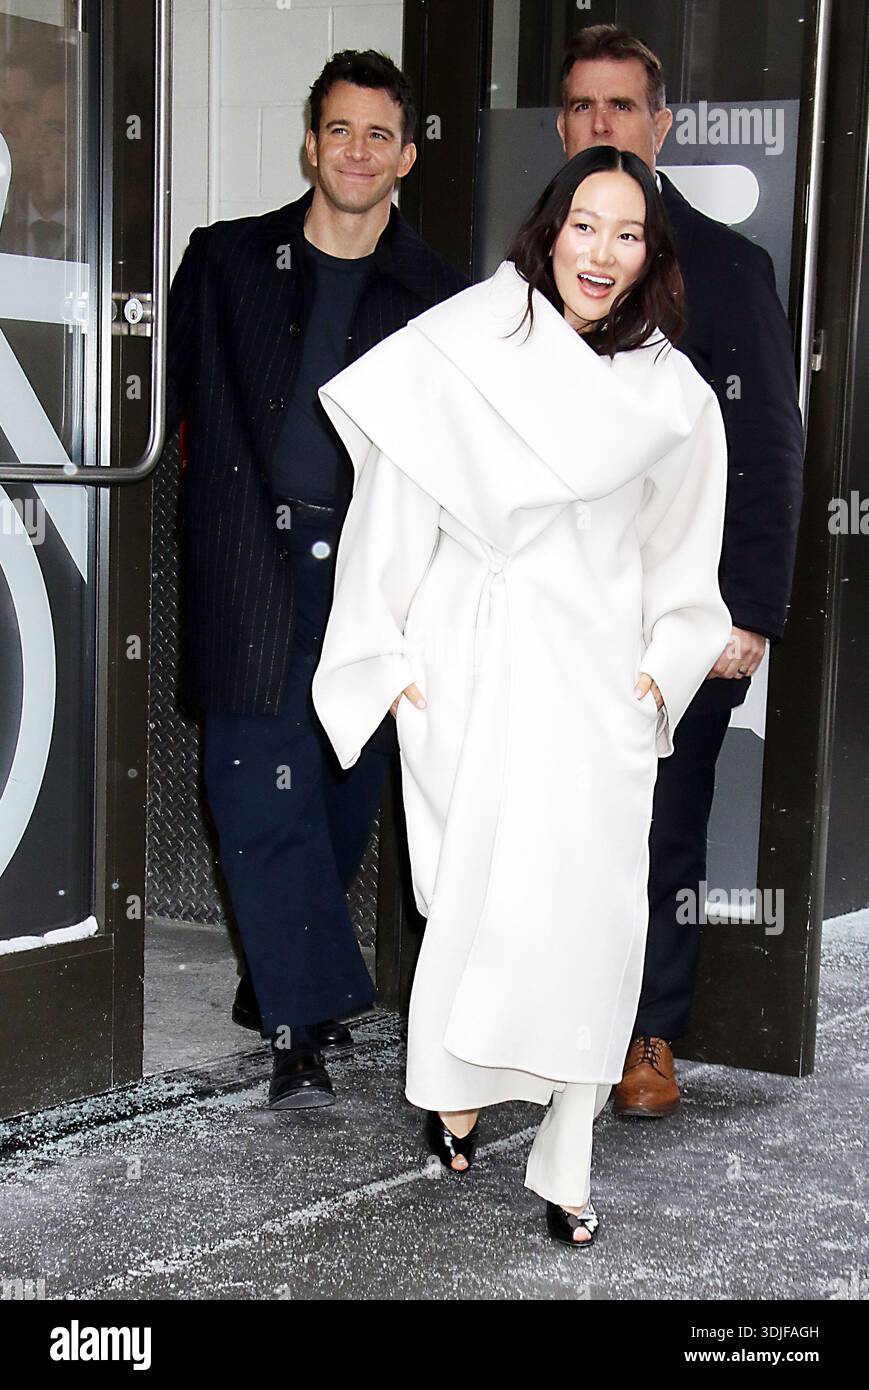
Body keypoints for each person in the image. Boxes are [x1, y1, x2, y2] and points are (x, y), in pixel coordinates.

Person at [311, 146, 732, 1245]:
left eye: (627, 233)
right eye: (583, 225)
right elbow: (390, 515)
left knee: (588, 928)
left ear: (651, 255)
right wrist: (387, 660)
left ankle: (567, 1158)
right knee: (481, 909)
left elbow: (685, 561)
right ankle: (454, 1091)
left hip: (595, 689)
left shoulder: (672, 397)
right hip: (476, 673)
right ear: (548, 232)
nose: (601, 252)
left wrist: (659, 667)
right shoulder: (462, 349)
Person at [165, 50, 466, 1110]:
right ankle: (302, 1026)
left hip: (380, 576)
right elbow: (155, 400)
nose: (355, 150)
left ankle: (282, 983)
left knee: (339, 797)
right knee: (253, 783)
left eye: (377, 134)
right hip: (253, 554)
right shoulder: (225, 260)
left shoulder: (444, 297)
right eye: (338, 129)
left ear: (407, 156)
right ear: (309, 139)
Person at [556, 26, 804, 1115]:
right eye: (580, 107)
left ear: (658, 126)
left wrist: (744, 613)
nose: (599, 125)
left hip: (677, 614)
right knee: (552, 819)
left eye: (620, 107)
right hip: (553, 608)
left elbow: (768, 453)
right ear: (560, 126)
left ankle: (647, 1035)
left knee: (661, 826)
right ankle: (554, 1026)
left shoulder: (726, 268)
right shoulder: (523, 275)